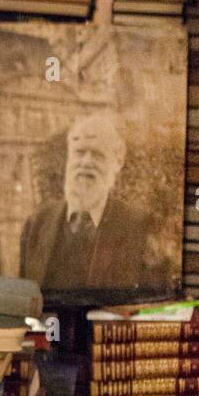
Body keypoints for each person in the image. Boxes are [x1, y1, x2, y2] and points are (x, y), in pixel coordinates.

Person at [20, 112, 153, 298]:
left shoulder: (140, 227)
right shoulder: (36, 224)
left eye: (97, 154)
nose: (86, 162)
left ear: (118, 162)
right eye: (79, 152)